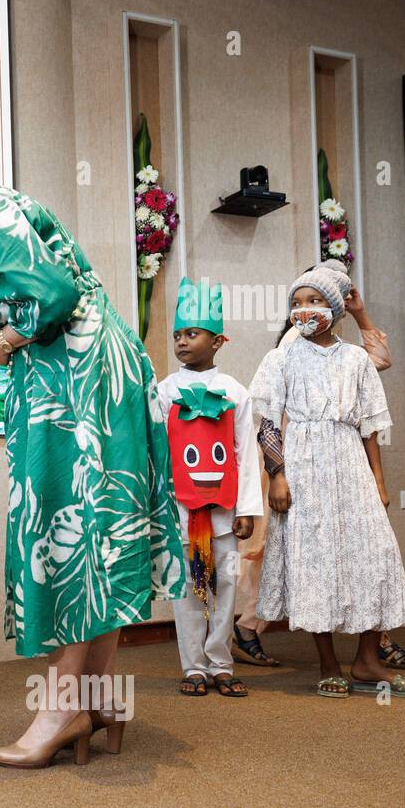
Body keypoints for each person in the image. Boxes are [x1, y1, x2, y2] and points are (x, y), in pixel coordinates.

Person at [0, 126, 184, 768]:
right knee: (95, 528)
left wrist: (13, 340)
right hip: (84, 372)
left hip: (75, 379)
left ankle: (62, 708)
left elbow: (52, 298)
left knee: (67, 527)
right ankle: (96, 700)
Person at [249, 259, 405, 700]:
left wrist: (379, 483)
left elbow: (370, 428)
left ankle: (367, 659)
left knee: (376, 554)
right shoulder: (281, 357)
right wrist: (277, 476)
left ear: (334, 308)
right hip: (303, 466)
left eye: (313, 302)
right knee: (316, 561)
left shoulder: (356, 361)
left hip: (351, 465)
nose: (304, 310)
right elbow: (268, 424)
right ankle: (328, 663)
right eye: (296, 302)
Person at [157, 279, 261, 698]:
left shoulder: (235, 391)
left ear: (217, 341)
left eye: (192, 334)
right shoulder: (164, 391)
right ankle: (194, 666)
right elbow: (159, 456)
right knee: (186, 592)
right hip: (182, 512)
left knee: (225, 586)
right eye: (178, 335)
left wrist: (246, 509)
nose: (182, 342)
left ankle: (221, 662)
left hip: (223, 514)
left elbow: (246, 454)